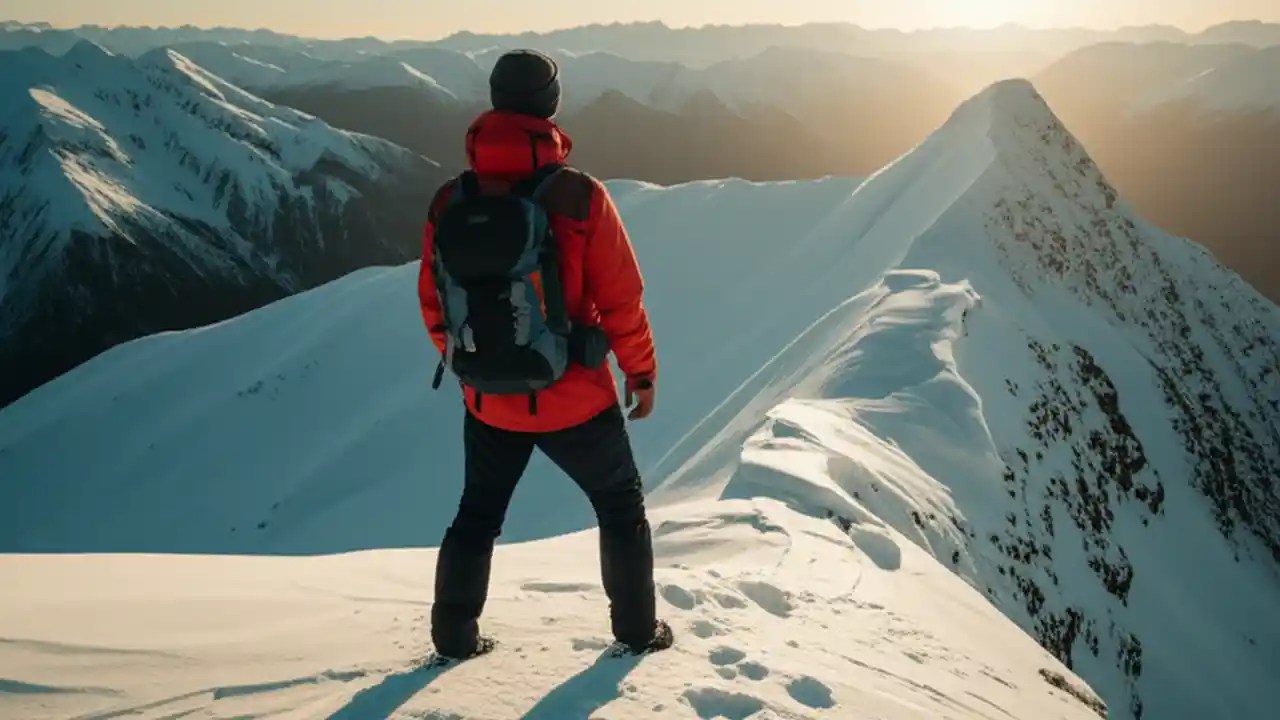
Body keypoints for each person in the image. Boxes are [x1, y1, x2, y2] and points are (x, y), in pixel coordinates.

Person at [417, 49, 673, 661]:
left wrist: (478, 366)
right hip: (577, 397)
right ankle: (637, 634)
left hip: (488, 401)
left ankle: (453, 640)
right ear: (551, 106)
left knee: (477, 515)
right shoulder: (580, 197)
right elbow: (622, 301)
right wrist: (640, 374)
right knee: (620, 507)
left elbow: (434, 303)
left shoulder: (451, 199)